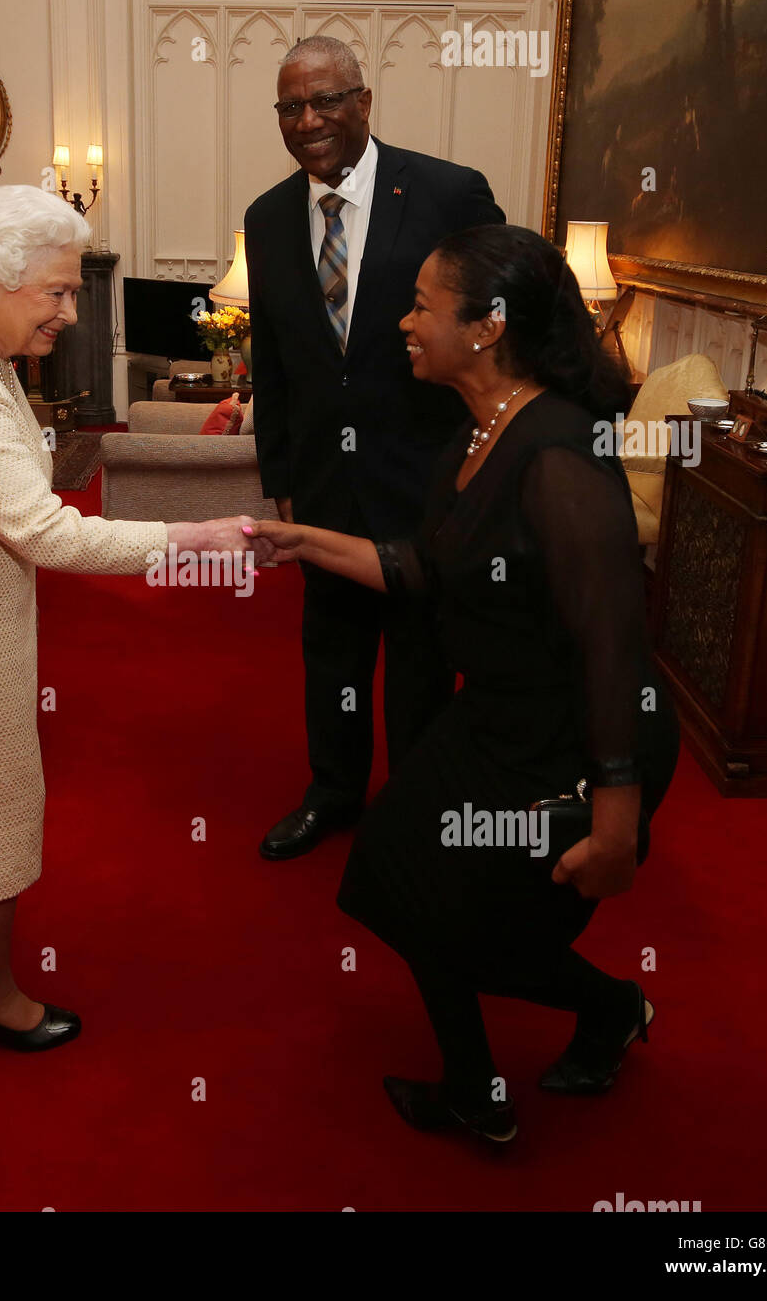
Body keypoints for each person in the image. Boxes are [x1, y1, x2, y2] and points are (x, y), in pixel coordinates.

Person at [248, 224, 680, 1146]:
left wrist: (615, 826)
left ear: (486, 327)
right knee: (398, 880)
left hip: (573, 740)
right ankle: (481, 1087)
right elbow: (425, 568)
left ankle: (601, 1014)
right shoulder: (479, 432)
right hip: (496, 717)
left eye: (421, 307)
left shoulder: (558, 456)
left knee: (484, 927)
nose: (404, 323)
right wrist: (307, 541)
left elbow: (613, 648)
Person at [0, 185, 254, 1053]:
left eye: (73, 290)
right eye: (57, 293)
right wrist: (195, 536)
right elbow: (43, 529)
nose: (72, 311)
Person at [245, 35, 506, 863]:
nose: (310, 120)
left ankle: (420, 810)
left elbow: (503, 318)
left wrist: (488, 451)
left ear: (363, 100)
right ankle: (334, 793)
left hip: (426, 479)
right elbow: (277, 363)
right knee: (333, 654)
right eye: (292, 107)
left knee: (423, 657)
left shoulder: (446, 192)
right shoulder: (266, 216)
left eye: (326, 101)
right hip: (324, 485)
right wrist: (281, 476)